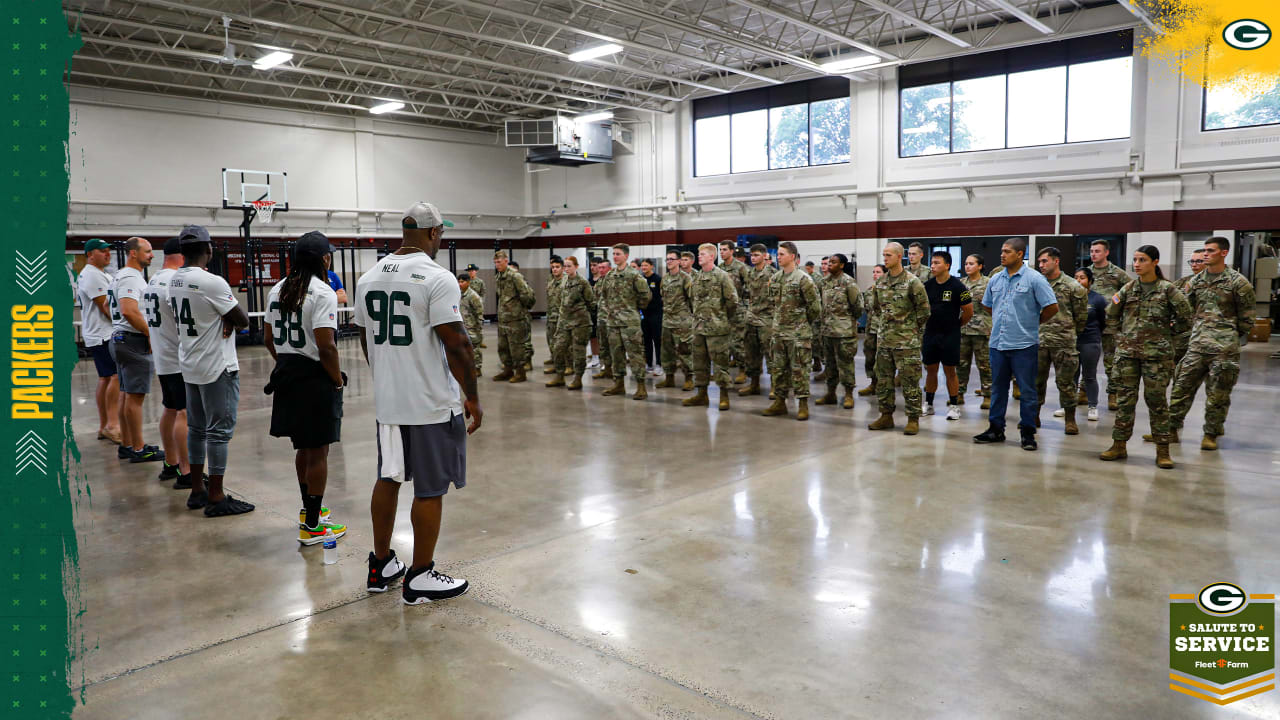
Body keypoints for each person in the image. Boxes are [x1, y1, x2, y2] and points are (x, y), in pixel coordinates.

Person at [356, 202, 479, 603]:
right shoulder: (436, 278)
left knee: (388, 477)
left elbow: (365, 337)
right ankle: (420, 575)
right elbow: (457, 343)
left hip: (389, 403)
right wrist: (473, 396)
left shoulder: (369, 276)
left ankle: (381, 565)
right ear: (432, 233)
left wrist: (387, 376)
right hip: (428, 403)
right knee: (429, 488)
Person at [264, 231, 348, 545]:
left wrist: (286, 362)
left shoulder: (277, 289)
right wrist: (337, 380)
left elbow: (269, 340)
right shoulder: (322, 292)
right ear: (324, 259)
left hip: (287, 372)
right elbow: (327, 347)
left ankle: (308, 511)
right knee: (320, 451)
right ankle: (312, 526)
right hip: (314, 378)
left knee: (303, 448)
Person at [168, 224, 254, 516]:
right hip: (217, 366)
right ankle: (216, 495)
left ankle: (196, 490)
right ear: (208, 250)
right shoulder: (212, 282)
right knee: (219, 432)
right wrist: (227, 320)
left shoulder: (175, 280)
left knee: (196, 428)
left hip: (190, 363)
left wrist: (223, 318)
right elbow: (243, 320)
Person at [1099, 245, 1192, 469]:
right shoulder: (1128, 289)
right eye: (1135, 260)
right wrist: (1121, 339)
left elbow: (1186, 320)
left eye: (1142, 260)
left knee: (1157, 403)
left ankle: (1163, 451)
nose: (1137, 264)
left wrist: (1170, 346)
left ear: (1155, 262)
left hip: (1157, 358)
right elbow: (1110, 315)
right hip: (1128, 355)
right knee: (1125, 401)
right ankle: (1119, 445)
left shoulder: (1168, 290)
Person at [1166, 236, 1256, 451]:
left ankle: (1210, 434)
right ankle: (1170, 429)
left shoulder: (1238, 282)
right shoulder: (1195, 281)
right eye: (1204, 250)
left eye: (1210, 250)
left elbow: (1247, 318)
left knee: (1218, 394)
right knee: (1181, 388)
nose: (1205, 254)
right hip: (1196, 346)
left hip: (1224, 350)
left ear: (1224, 253)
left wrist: (1228, 336)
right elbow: (1185, 310)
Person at [973, 238, 1059, 451]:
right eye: (1002, 251)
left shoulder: (1034, 279)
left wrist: (1031, 322)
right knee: (998, 389)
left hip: (1024, 345)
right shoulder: (995, 279)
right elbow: (988, 305)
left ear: (1020, 254)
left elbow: (1051, 307)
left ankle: (1028, 433)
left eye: (1007, 251)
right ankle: (995, 429)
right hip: (998, 344)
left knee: (1028, 391)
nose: (1002, 255)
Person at [107, 237, 165, 463]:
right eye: (148, 251)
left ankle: (128, 444)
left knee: (126, 394)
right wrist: (150, 333)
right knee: (135, 397)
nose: (151, 255)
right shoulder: (131, 277)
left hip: (121, 339)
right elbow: (129, 311)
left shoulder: (118, 276)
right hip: (132, 341)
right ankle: (139, 449)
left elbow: (107, 306)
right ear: (133, 253)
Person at [145, 237, 193, 486]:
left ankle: (171, 462)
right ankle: (186, 472)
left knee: (170, 408)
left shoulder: (153, 280)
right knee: (184, 412)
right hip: (177, 357)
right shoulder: (173, 282)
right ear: (183, 256)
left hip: (163, 355)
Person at [867, 243, 930, 435]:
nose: (885, 258)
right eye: (883, 255)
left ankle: (913, 418)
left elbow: (924, 311)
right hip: (885, 341)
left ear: (899, 256)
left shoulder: (913, 282)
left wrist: (910, 330)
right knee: (884, 381)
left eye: (888, 255)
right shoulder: (881, 282)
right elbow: (877, 308)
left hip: (906, 342)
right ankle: (886, 415)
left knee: (910, 381)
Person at [762, 242, 821, 420]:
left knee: (800, 370)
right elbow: (774, 304)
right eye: (778, 254)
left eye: (781, 254)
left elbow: (815, 308)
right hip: (779, 332)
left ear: (792, 257)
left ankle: (802, 404)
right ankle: (780, 402)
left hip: (798, 334)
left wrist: (801, 323)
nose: (778, 257)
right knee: (778, 369)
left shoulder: (803, 279)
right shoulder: (776, 278)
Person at [1033, 247, 1088, 434]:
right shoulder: (1036, 284)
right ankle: (1034, 415)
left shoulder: (1073, 287)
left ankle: (1070, 419)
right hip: (1039, 340)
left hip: (1063, 342)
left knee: (1066, 383)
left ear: (1056, 261)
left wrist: (1069, 333)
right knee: (1035, 382)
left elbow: (1081, 317)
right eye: (1039, 262)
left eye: (1044, 261)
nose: (1040, 265)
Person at [684, 243, 739, 411]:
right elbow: (692, 301)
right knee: (699, 363)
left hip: (717, 329)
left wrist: (721, 318)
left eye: (702, 254)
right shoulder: (697, 277)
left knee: (720, 364)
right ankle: (702, 395)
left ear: (711, 257)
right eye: (699, 254)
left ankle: (724, 396)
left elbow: (733, 301)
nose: (699, 256)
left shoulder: (722, 276)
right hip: (699, 328)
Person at [77, 239, 121, 444]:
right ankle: (113, 425)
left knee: (106, 378)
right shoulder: (92, 275)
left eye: (108, 251)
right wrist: (125, 325)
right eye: (102, 251)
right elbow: (105, 307)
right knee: (114, 377)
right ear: (90, 254)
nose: (107, 254)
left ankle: (105, 425)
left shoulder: (98, 274)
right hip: (103, 334)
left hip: (98, 333)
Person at [920, 250, 973, 420]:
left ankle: (954, 406)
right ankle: (928, 404)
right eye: (932, 263)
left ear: (947, 265)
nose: (933, 266)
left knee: (950, 371)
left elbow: (968, 312)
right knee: (931, 370)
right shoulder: (927, 286)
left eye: (937, 263)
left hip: (950, 335)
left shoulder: (958, 287)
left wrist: (955, 326)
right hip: (930, 334)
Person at [596, 244, 652, 399]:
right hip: (613, 322)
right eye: (613, 254)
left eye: (618, 254)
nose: (615, 256)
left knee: (635, 355)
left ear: (626, 256)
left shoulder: (634, 275)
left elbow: (645, 296)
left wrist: (631, 310)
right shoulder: (610, 275)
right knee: (616, 355)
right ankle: (619, 384)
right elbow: (604, 295)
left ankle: (641, 386)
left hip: (629, 323)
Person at [1088, 239, 1131, 412]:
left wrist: (1118, 308)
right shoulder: (1086, 273)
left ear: (1106, 253)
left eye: (1097, 251)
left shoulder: (1117, 273)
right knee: (1087, 359)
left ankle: (1113, 394)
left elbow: (1130, 291)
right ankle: (1084, 391)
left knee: (1111, 361)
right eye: (1091, 251)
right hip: (1090, 324)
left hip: (1110, 324)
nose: (1093, 254)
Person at [815, 253, 863, 410]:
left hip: (844, 332)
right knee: (830, 365)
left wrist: (847, 321)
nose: (829, 265)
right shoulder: (824, 282)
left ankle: (848, 395)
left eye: (833, 262)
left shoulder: (848, 282)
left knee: (846, 364)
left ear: (841, 265)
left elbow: (858, 307)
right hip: (827, 331)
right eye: (829, 262)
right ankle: (831, 394)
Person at [1063, 267, 1107, 422]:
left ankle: (1092, 406)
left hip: (1090, 341)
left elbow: (1103, 321)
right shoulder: (1069, 297)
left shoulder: (1098, 299)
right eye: (1076, 277)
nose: (1078, 281)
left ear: (1090, 281)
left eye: (1082, 278)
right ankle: (1067, 406)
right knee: (1070, 376)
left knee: (1089, 376)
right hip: (1072, 341)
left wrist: (1095, 335)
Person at [549, 255, 595, 389]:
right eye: (565, 266)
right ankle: (559, 376)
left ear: (576, 266)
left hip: (580, 323)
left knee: (578, 351)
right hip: (564, 321)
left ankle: (578, 378)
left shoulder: (582, 282)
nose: (566, 268)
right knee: (558, 348)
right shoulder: (563, 281)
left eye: (569, 266)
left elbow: (591, 302)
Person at [491, 250, 535, 383]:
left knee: (516, 348)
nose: (497, 265)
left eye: (499, 262)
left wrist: (520, 310)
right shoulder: (499, 276)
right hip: (503, 318)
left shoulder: (515, 276)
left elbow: (527, 295)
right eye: (495, 263)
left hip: (515, 319)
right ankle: (507, 370)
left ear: (506, 261)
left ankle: (520, 372)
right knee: (503, 347)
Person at [739, 244, 777, 397]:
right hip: (751, 318)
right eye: (752, 255)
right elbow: (745, 294)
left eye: (756, 255)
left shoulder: (773, 274)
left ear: (764, 256)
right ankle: (754, 384)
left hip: (767, 319)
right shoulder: (749, 273)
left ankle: (775, 386)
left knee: (771, 354)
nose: (753, 258)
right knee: (751, 354)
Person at [958, 254, 992, 410]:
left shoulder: (988, 284)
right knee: (961, 364)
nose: (967, 266)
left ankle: (988, 395)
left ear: (980, 266)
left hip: (982, 330)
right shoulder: (961, 284)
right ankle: (959, 393)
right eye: (966, 263)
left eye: (971, 263)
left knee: (984, 365)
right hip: (964, 329)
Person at [658, 251, 695, 391]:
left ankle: (689, 379)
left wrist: (689, 317)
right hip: (667, 320)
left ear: (679, 261)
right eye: (667, 259)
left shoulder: (686, 278)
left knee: (684, 350)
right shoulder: (665, 278)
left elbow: (692, 299)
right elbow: (663, 297)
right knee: (666, 351)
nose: (669, 262)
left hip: (682, 321)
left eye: (672, 259)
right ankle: (669, 378)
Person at [719, 240, 750, 383]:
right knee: (726, 343)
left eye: (725, 249)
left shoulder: (741, 267)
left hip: (738, 310)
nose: (722, 252)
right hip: (723, 311)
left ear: (732, 251)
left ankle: (743, 370)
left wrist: (743, 299)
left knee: (739, 342)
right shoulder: (719, 269)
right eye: (721, 250)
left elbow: (751, 286)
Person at [1172, 249, 1205, 365]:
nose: (1194, 265)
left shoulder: (1215, 284)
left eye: (1199, 261)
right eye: (1192, 261)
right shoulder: (1182, 282)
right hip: (1183, 339)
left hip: (1206, 338)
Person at [858, 264, 885, 397]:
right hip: (871, 329)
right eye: (874, 272)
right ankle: (873, 383)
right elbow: (868, 310)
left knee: (883, 360)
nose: (875, 274)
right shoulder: (869, 291)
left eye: (878, 272)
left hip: (884, 331)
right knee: (870, 358)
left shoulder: (888, 290)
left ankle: (884, 386)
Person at [509, 260, 535, 369]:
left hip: (522, 314)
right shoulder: (507, 282)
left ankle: (528, 361)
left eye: (511, 269)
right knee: (514, 341)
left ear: (516, 269)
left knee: (525, 340)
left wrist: (524, 308)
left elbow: (529, 297)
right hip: (511, 316)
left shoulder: (521, 281)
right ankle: (517, 362)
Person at [639, 258, 663, 375]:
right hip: (644, 314)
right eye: (642, 266)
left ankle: (659, 364)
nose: (644, 268)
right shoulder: (640, 279)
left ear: (652, 266)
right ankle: (649, 364)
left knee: (657, 340)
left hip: (656, 314)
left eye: (646, 265)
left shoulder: (657, 279)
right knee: (646, 340)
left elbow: (662, 296)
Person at [459, 274, 484, 376]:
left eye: (462, 282)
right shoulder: (459, 294)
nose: (460, 284)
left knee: (475, 349)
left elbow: (479, 312)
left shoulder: (473, 296)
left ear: (468, 282)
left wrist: (478, 328)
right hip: (462, 326)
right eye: (459, 281)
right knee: (464, 348)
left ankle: (477, 368)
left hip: (472, 327)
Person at [592, 259, 613, 378]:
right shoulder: (599, 282)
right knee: (603, 345)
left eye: (603, 267)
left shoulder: (613, 281)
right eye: (599, 267)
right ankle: (606, 368)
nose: (601, 270)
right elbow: (595, 299)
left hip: (612, 319)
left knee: (613, 346)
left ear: (609, 268)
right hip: (601, 318)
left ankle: (615, 370)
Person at [543, 256, 565, 373]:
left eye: (557, 267)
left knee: (564, 344)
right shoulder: (551, 283)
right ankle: (557, 365)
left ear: (562, 268)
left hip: (563, 319)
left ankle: (568, 366)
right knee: (552, 343)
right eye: (553, 267)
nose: (555, 269)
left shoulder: (567, 282)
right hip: (551, 317)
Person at [812, 257, 831, 376]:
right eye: (822, 264)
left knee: (827, 344)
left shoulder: (835, 280)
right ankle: (817, 361)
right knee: (815, 340)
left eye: (826, 264)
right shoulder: (819, 281)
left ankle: (828, 369)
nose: (824, 266)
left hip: (831, 318)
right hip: (818, 316)